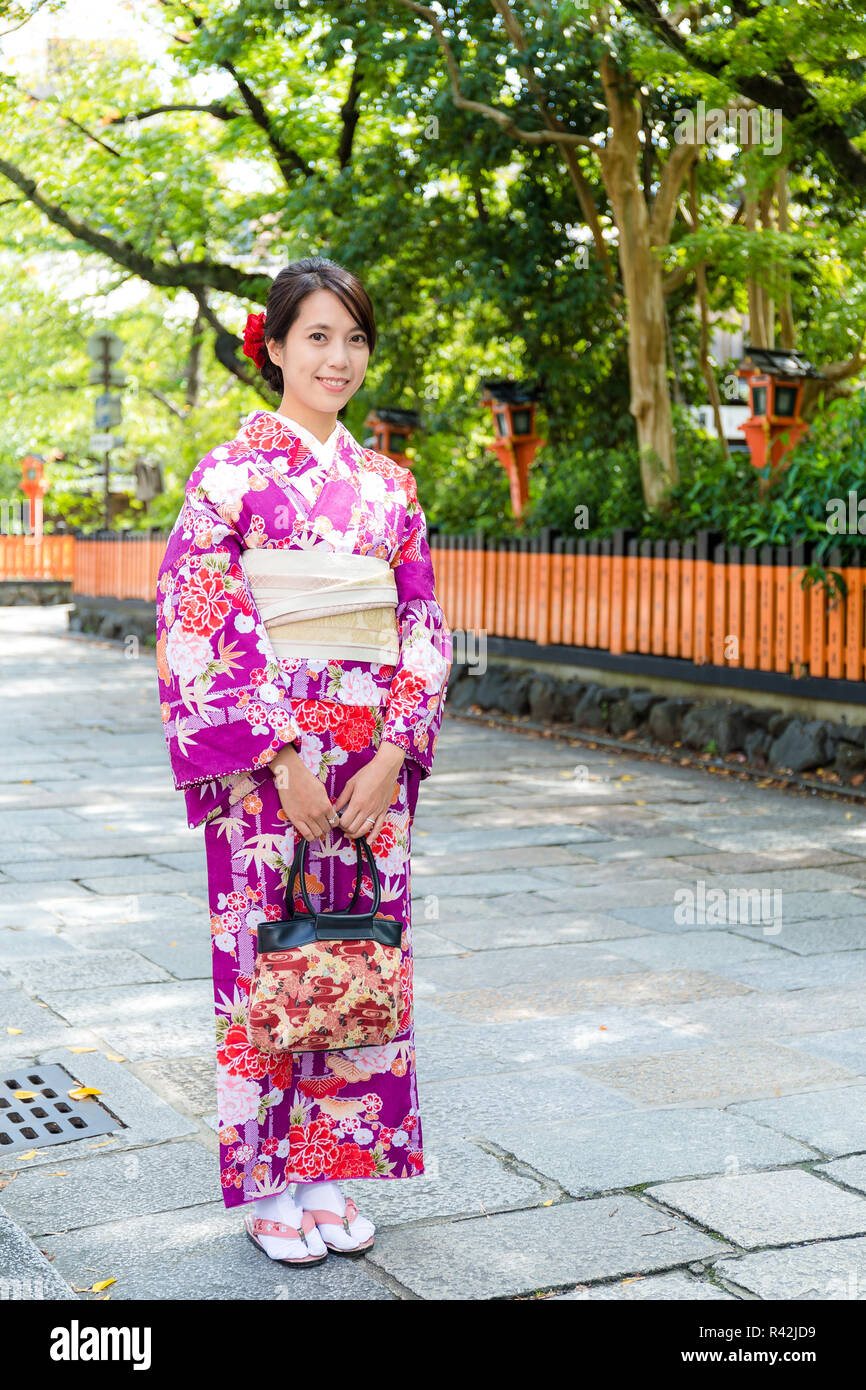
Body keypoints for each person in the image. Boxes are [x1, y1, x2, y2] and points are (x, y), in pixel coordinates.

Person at [155, 256, 452, 1266]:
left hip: (370, 763)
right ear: (273, 346)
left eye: (354, 338)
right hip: (266, 765)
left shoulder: (390, 486)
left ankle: (334, 1166)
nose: (339, 357)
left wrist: (392, 754)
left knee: (352, 952)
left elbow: (420, 622)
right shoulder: (228, 474)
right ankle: (273, 1179)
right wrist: (279, 755)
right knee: (268, 957)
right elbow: (198, 616)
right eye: (317, 336)